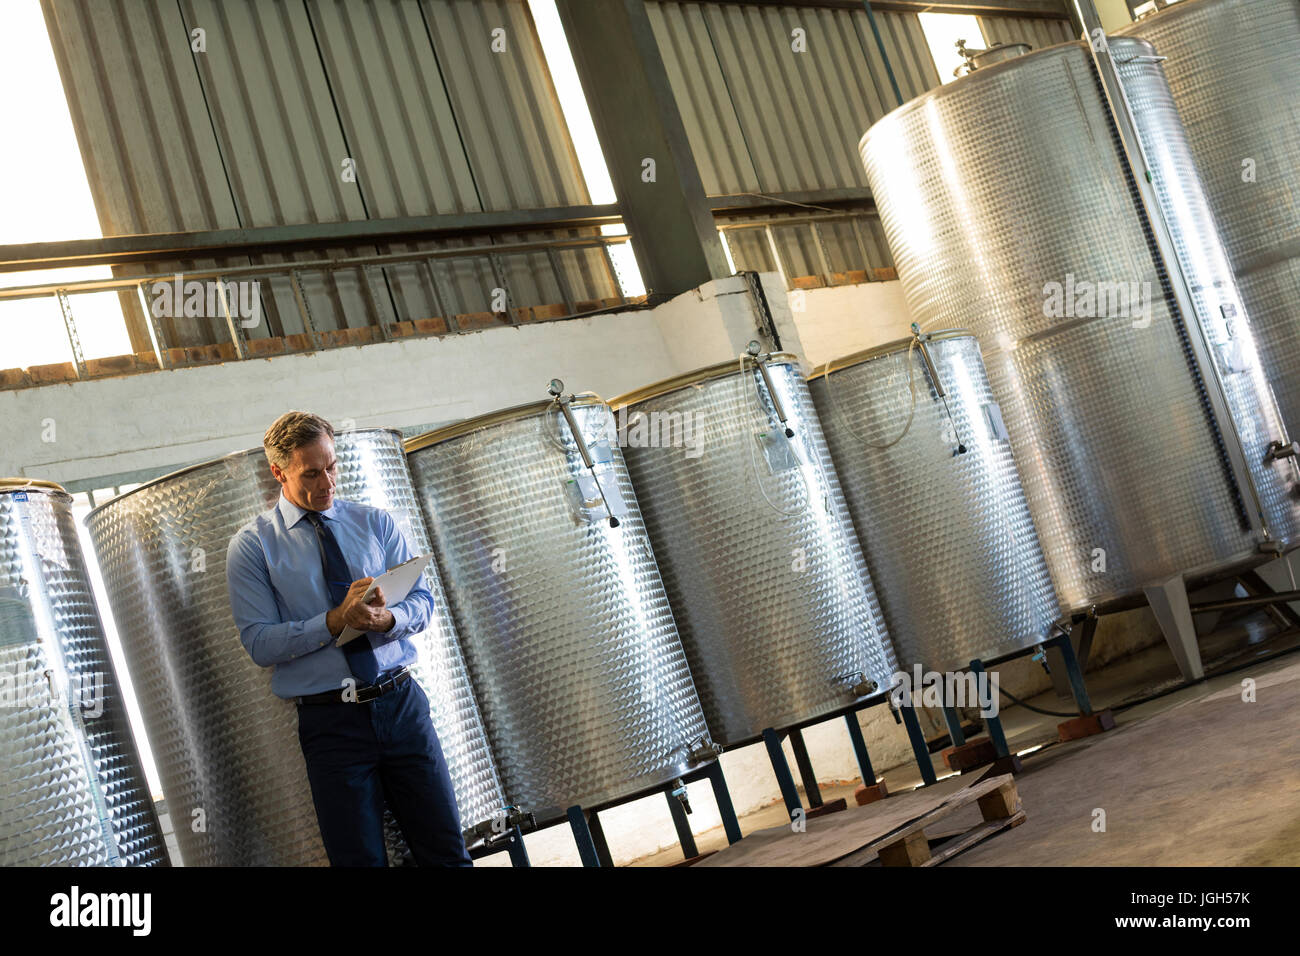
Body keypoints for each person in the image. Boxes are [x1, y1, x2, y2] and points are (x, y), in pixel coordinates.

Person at [225, 411, 471, 866]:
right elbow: (260, 643)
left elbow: (423, 601)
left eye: (333, 467)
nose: (327, 483)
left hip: (402, 707)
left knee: (448, 856)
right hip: (331, 725)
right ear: (278, 472)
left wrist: (388, 620)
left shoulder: (376, 523)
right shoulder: (253, 547)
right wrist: (336, 620)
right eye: (311, 474)